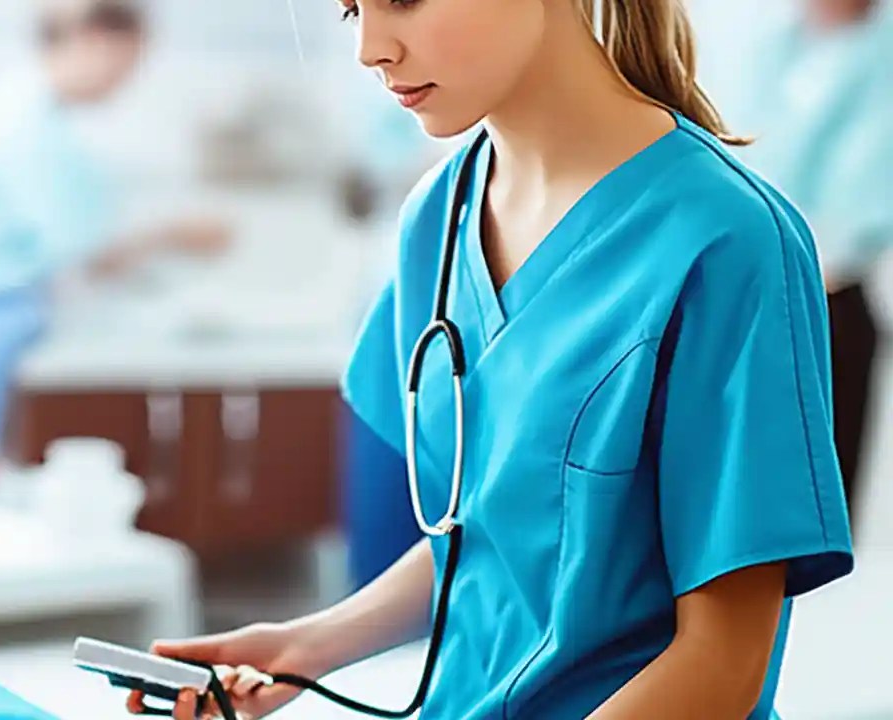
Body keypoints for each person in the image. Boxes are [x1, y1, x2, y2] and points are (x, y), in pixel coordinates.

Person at [130, 0, 854, 718]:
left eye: (403, 1)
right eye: (354, 11)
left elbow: (723, 667)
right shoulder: (436, 221)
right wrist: (305, 648)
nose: (371, 49)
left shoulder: (729, 242)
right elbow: (489, 533)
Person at [0, 0, 227, 454]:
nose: (125, 83)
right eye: (128, 64)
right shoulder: (31, 131)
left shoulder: (26, 111)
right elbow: (91, 253)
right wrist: (174, 235)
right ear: (96, 40)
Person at [734, 0, 892, 532]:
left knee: (816, 527)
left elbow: (869, 194)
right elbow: (746, 154)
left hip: (830, 292)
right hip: (760, 284)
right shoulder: (780, 47)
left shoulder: (880, 55)